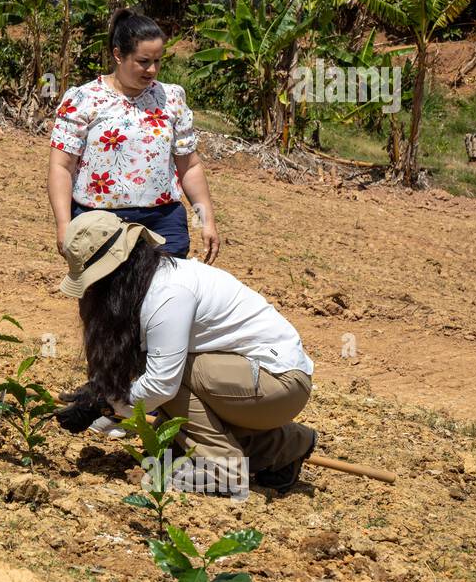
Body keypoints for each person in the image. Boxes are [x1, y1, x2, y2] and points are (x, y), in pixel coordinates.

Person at [56, 210, 319, 495]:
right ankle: (287, 445)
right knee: (170, 441)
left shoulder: (167, 294)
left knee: (164, 376)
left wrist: (103, 403)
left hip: (279, 384)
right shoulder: (151, 281)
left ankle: (222, 471)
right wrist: (96, 394)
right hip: (255, 385)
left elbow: (161, 384)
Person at [47, 9, 219, 262]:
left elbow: (190, 166)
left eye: (158, 61)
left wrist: (207, 221)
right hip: (98, 224)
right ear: (118, 55)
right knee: (108, 301)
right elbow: (61, 167)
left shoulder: (171, 98)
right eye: (143, 61)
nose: (152, 70)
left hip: (164, 223)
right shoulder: (83, 99)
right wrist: (64, 224)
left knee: (166, 298)